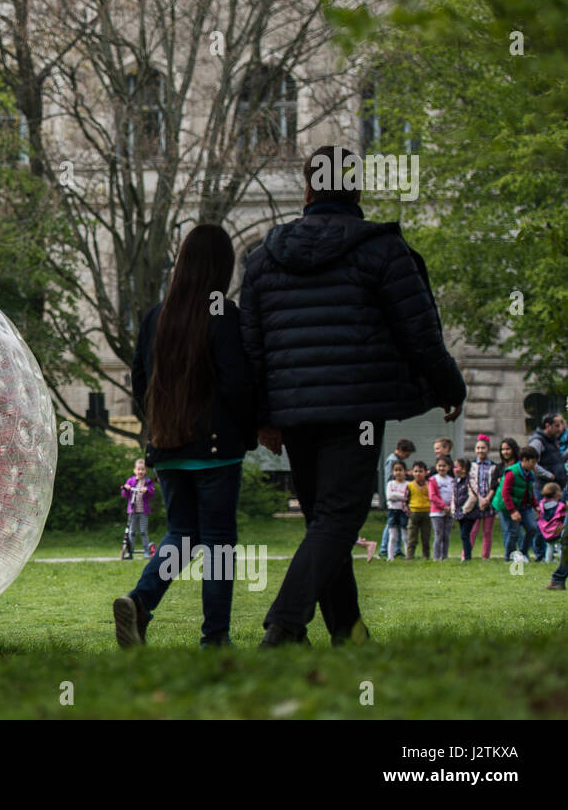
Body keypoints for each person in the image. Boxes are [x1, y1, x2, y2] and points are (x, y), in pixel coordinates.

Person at [240, 145, 465, 646]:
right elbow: (420, 331)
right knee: (339, 518)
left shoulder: (262, 259)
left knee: (325, 519)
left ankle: (347, 630)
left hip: (294, 411)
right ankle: (285, 622)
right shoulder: (382, 250)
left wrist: (262, 414)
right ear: (357, 188)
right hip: (358, 407)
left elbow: (250, 346)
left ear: (307, 188)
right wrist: (449, 386)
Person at [113, 224, 257, 649]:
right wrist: (248, 430)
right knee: (217, 547)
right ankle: (215, 637)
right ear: (221, 267)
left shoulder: (157, 315)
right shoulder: (221, 313)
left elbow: (141, 378)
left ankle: (139, 603)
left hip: (169, 448)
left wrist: (160, 423)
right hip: (214, 452)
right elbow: (236, 383)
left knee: (182, 534)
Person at [527, 414, 565, 561]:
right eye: (556, 425)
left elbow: (556, 460)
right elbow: (531, 461)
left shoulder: (552, 441)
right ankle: (540, 554)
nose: (560, 428)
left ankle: (549, 553)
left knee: (555, 521)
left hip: (556, 489)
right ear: (547, 425)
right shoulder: (538, 441)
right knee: (542, 521)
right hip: (543, 489)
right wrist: (548, 475)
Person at [499, 446, 542, 563]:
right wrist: (512, 511)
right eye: (532, 462)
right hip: (508, 505)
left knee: (532, 528)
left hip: (524, 505)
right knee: (513, 532)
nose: (534, 464)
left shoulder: (530, 472)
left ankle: (522, 553)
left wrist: (536, 505)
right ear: (524, 460)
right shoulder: (512, 472)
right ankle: (509, 558)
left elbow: (529, 490)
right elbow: (505, 493)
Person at [378, 439, 416, 559]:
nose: (407, 456)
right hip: (393, 502)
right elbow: (390, 478)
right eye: (407, 453)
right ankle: (384, 548)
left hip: (400, 504)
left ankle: (397, 549)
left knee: (398, 527)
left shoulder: (397, 460)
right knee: (391, 527)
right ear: (401, 450)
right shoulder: (392, 461)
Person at [467, 435, 499, 560]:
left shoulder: (494, 466)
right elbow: (470, 483)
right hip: (475, 503)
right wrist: (479, 498)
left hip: (489, 502)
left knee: (487, 531)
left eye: (483, 448)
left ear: (488, 449)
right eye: (478, 448)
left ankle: (485, 556)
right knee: (472, 531)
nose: (480, 450)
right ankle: (467, 554)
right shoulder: (471, 465)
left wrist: (487, 499)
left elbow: (495, 484)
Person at [120, 460, 154, 559]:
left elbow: (152, 493)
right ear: (135, 470)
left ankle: (146, 551)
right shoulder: (131, 481)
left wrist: (147, 490)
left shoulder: (148, 482)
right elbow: (124, 495)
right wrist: (126, 489)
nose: (140, 471)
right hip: (132, 511)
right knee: (131, 532)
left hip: (143, 512)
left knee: (143, 531)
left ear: (146, 470)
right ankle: (130, 552)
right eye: (138, 469)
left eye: (142, 469)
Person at [428, 454, 455, 560]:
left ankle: (444, 556)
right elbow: (432, 496)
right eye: (439, 466)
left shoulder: (452, 480)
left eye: (444, 466)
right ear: (436, 466)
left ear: (448, 467)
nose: (442, 468)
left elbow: (454, 494)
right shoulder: (433, 480)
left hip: (449, 512)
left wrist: (450, 507)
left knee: (446, 535)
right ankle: (436, 557)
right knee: (438, 534)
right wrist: (444, 506)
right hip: (436, 512)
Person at [384, 460, 410, 560]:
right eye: (396, 470)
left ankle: (408, 556)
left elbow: (408, 497)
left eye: (400, 470)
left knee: (405, 536)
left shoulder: (408, 484)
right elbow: (389, 496)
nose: (398, 472)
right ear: (392, 472)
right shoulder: (390, 484)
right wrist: (402, 496)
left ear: (405, 471)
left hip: (404, 511)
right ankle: (390, 557)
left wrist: (397, 496)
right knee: (393, 536)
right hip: (392, 511)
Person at [406, 461, 433, 560]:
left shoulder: (429, 485)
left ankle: (426, 556)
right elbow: (406, 499)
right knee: (412, 536)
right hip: (414, 513)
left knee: (425, 536)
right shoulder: (409, 485)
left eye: (420, 471)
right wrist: (408, 511)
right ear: (412, 472)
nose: (418, 473)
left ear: (426, 472)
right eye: (416, 471)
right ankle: (409, 556)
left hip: (427, 512)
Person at [453, 457, 477, 562]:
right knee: (464, 535)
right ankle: (466, 556)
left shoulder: (469, 481)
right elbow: (454, 496)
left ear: (463, 469)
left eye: (456, 467)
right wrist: (454, 509)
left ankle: (467, 557)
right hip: (460, 513)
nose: (454, 469)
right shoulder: (457, 482)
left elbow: (473, 497)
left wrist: (464, 509)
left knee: (464, 534)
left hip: (468, 513)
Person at [537, 482, 565, 565]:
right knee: (560, 546)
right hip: (557, 529)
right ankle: (562, 562)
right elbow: (563, 516)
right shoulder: (560, 506)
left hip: (546, 530)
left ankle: (547, 561)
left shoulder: (541, 504)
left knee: (549, 546)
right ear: (556, 493)